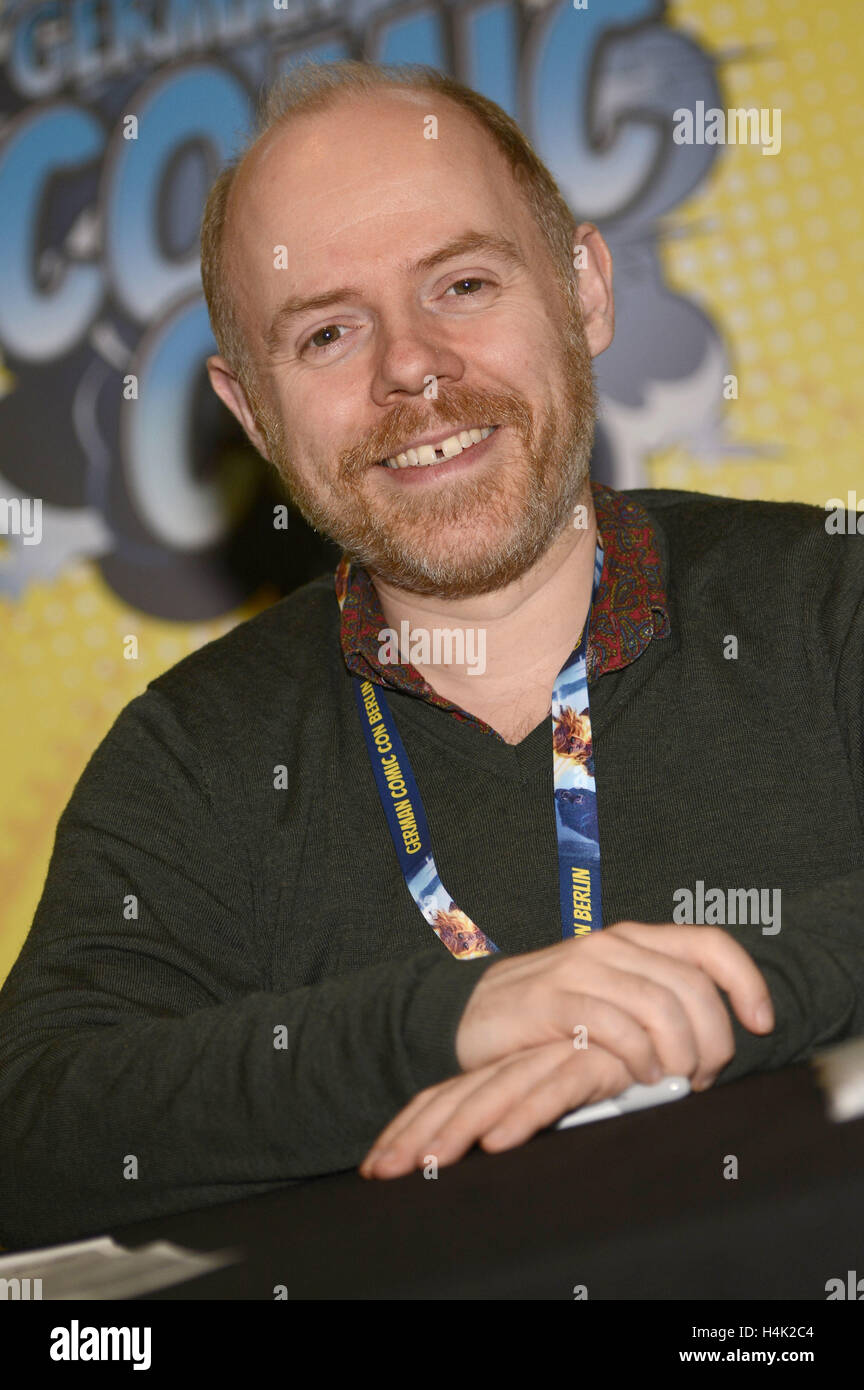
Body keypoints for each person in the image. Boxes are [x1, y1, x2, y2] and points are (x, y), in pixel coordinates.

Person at [1, 59, 863, 1249]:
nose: (411, 365)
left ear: (587, 292)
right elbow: (36, 1131)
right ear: (252, 413)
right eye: (328, 332)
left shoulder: (832, 597)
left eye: (462, 281)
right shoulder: (193, 756)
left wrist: (704, 1005)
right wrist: (455, 1020)